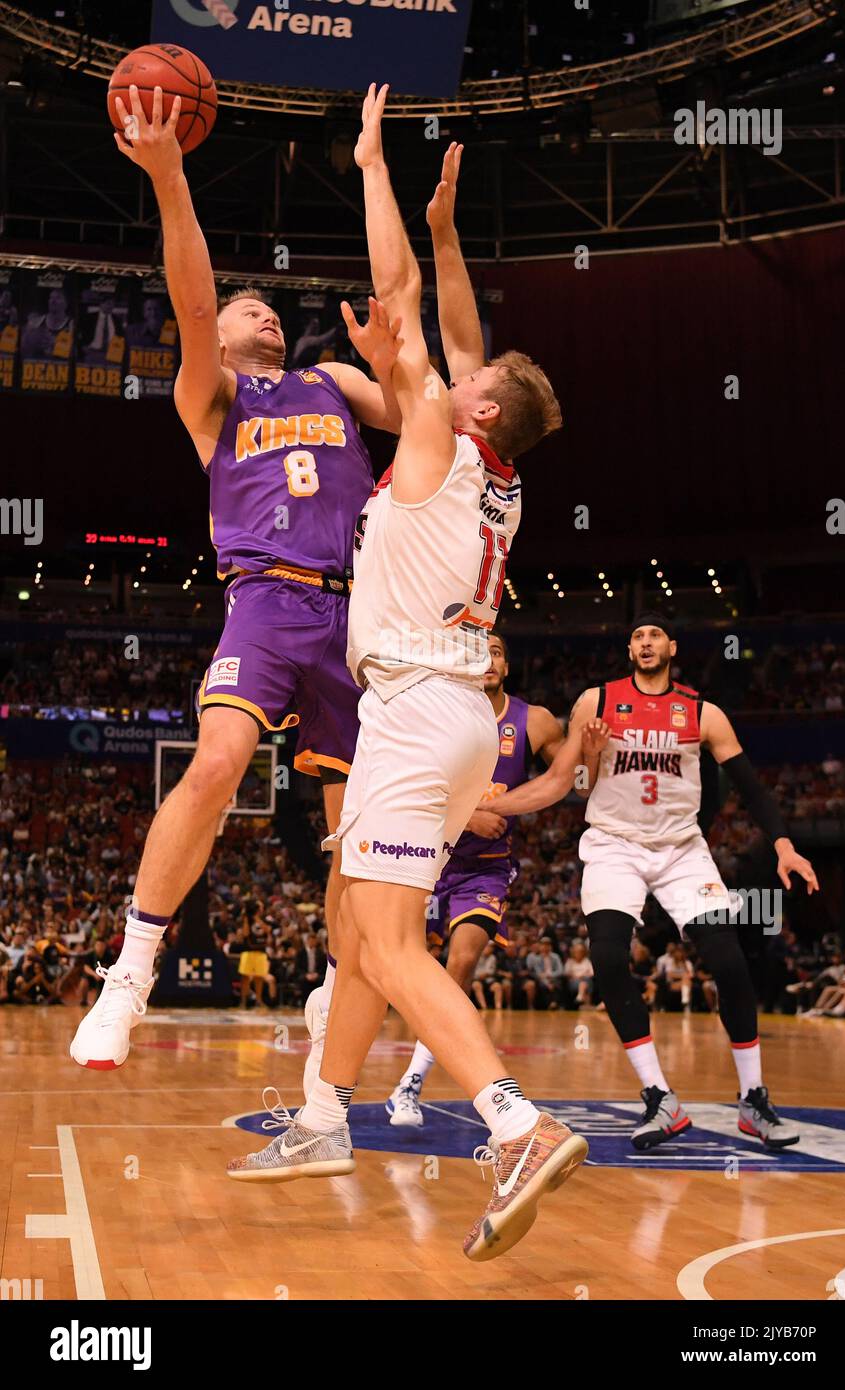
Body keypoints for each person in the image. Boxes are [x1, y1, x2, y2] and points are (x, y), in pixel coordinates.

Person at [227, 84, 585, 1265]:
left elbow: (401, 308)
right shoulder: (499, 471)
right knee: (357, 922)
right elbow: (458, 333)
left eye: (463, 376)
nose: (448, 372)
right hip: (456, 720)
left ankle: (513, 1120)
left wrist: (375, 168)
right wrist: (443, 231)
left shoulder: (435, 422)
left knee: (385, 944)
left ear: (474, 405)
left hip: (414, 706)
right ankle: (325, 1117)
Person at [69, 82, 401, 1070]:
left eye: (266, 303)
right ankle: (130, 974)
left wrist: (398, 354)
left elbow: (425, 420)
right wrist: (171, 181)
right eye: (241, 306)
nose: (255, 309)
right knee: (216, 763)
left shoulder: (332, 382)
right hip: (263, 596)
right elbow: (193, 294)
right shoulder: (208, 395)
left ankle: (340, 984)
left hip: (356, 615)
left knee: (355, 835)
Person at [488, 612, 819, 1152]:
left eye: (654, 636)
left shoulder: (703, 713)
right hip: (615, 845)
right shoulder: (595, 702)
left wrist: (782, 844)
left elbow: (751, 786)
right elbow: (566, 782)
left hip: (681, 850)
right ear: (629, 651)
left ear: (671, 647)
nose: (645, 643)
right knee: (610, 958)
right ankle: (659, 1097)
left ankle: (754, 1099)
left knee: (730, 961)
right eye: (636, 636)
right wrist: (581, 761)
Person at [385, 626, 563, 1127]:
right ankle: (332, 1081)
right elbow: (407, 785)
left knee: (459, 965)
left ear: (507, 667)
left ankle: (410, 1084)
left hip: (483, 870)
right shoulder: (438, 714)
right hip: (422, 856)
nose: (487, 659)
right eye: (478, 652)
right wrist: (464, 817)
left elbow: (569, 776)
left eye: (498, 652)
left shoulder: (536, 721)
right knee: (383, 965)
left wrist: (592, 749)